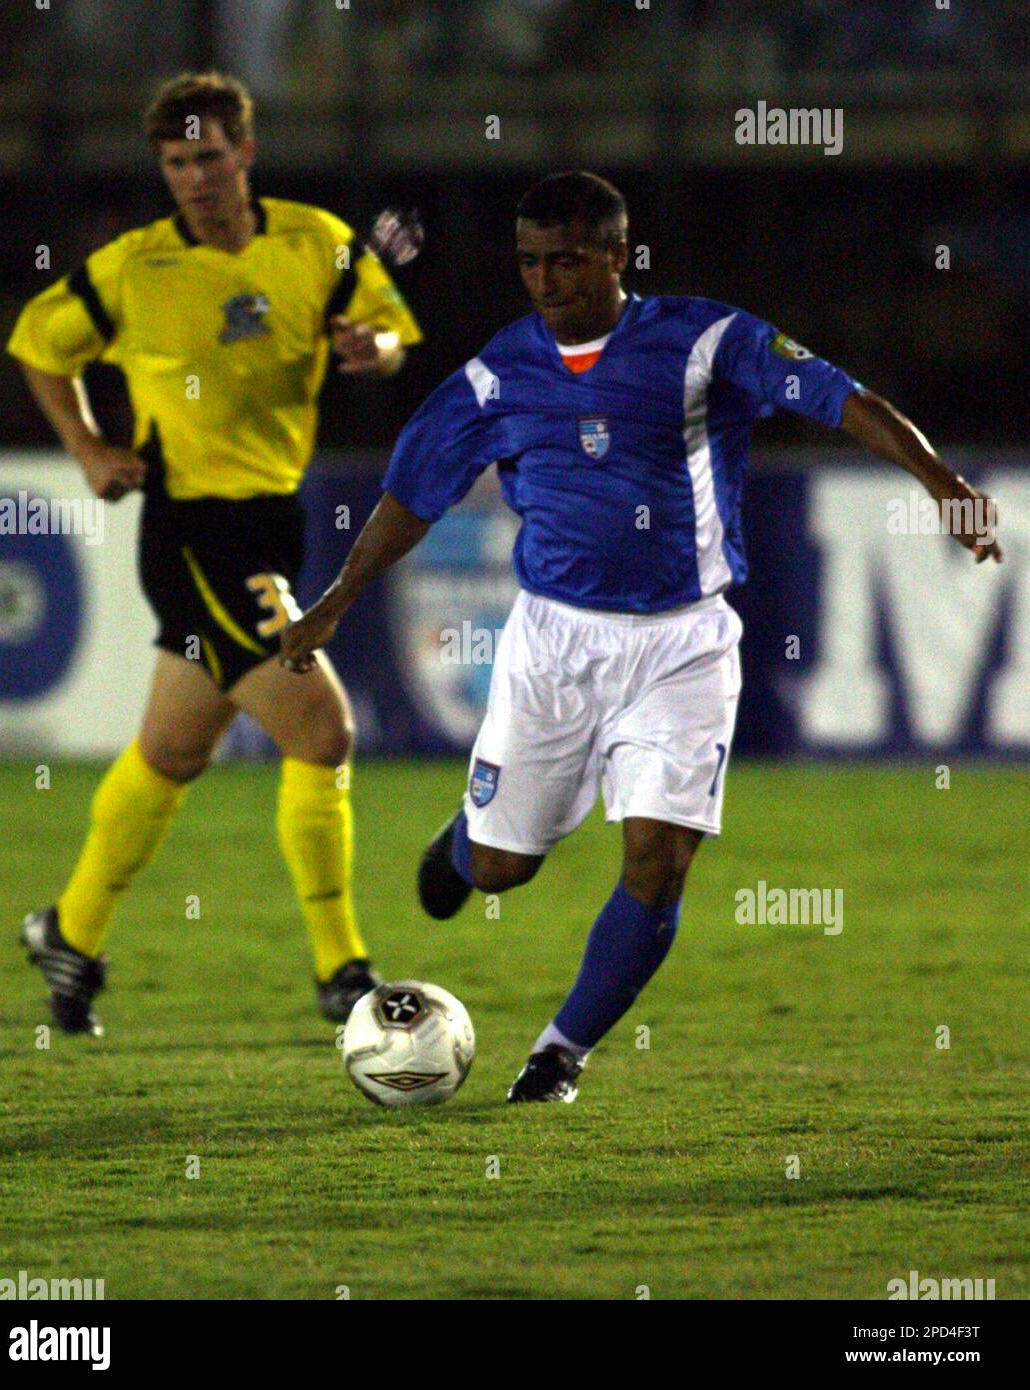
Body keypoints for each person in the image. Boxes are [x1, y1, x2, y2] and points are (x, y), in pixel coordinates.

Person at [279, 170, 1001, 1102]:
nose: (545, 280)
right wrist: (333, 601)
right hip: (552, 645)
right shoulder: (498, 373)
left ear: (618, 256)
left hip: (683, 645)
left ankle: (558, 1053)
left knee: (658, 862)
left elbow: (839, 397)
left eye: (567, 261)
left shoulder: (705, 340)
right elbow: (413, 495)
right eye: (531, 262)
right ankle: (466, 841)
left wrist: (943, 485)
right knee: (501, 869)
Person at [8, 71, 422, 1036]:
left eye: (206, 156)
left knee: (173, 751)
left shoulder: (315, 241)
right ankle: (340, 969)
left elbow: (390, 331)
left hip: (276, 520)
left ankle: (69, 930)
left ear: (244, 152)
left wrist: (375, 349)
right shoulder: (132, 268)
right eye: (174, 162)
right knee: (322, 732)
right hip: (194, 530)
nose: (192, 177)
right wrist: (88, 449)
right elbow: (39, 346)